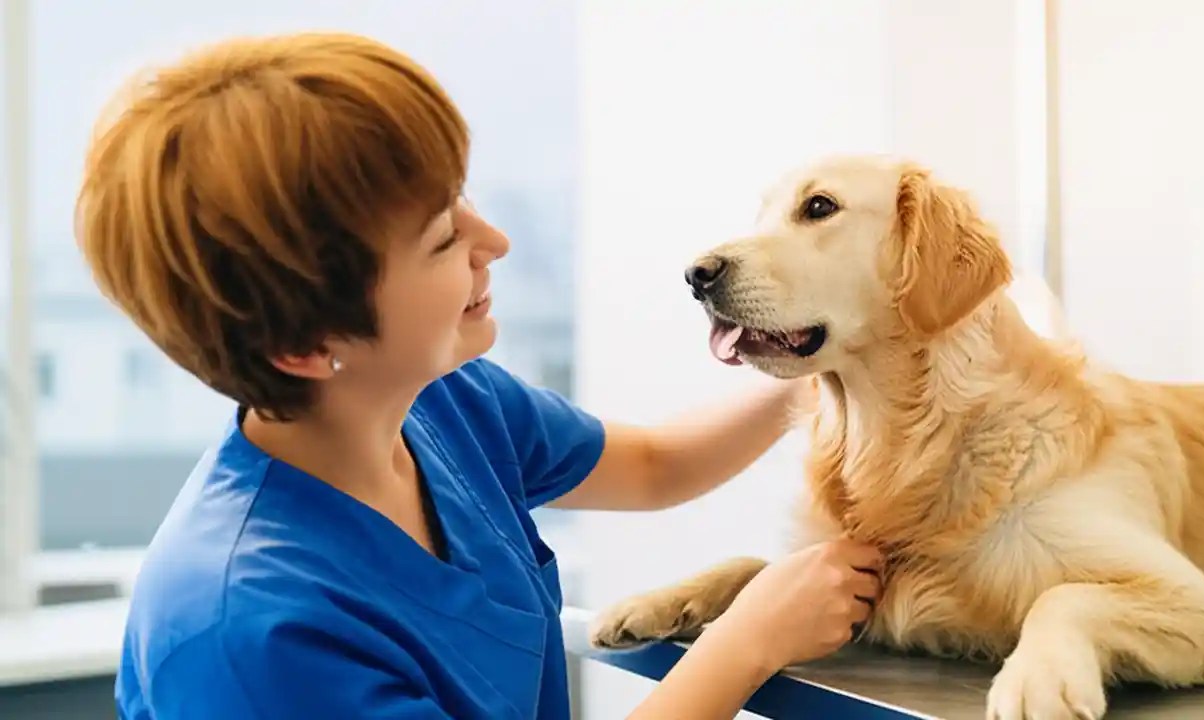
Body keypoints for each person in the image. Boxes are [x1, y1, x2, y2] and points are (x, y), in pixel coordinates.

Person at [76, 32, 882, 720]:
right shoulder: (251, 639)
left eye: (463, 199)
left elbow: (653, 465)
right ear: (305, 340)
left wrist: (827, 353)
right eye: (440, 239)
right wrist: (747, 641)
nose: (492, 240)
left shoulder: (442, 403)